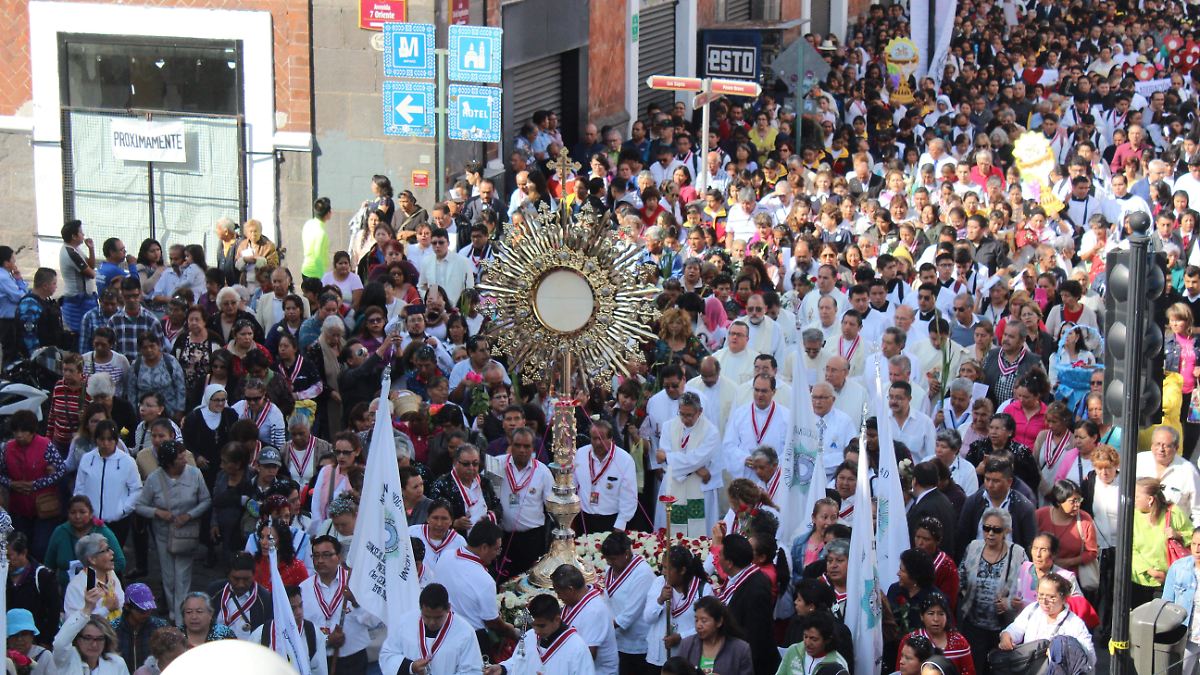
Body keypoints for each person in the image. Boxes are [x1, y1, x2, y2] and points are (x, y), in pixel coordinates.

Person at [135, 440, 210, 622]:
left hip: (186, 533)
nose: (185, 459)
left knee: (182, 576)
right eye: (180, 456)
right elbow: (139, 506)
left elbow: (206, 500)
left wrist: (189, 515)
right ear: (169, 462)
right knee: (168, 576)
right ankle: (173, 610)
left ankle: (180, 617)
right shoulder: (154, 479)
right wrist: (157, 512)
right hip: (163, 534)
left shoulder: (195, 474)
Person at [957, 508, 1026, 675]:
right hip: (973, 625)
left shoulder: (1017, 553)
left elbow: (1025, 589)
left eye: (996, 529)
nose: (990, 533)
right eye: (986, 528)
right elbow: (960, 578)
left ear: (1006, 531)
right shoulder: (973, 547)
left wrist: (1009, 603)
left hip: (1001, 628)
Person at [436, 520, 517, 654]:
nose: (498, 554)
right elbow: (491, 621)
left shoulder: (445, 555)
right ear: (484, 547)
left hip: (443, 632)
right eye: (497, 549)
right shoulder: (485, 580)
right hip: (472, 640)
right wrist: (510, 630)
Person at [299, 536, 373, 673]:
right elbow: (301, 629)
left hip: (353, 658)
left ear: (339, 557)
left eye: (327, 555)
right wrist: (327, 640)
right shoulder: (304, 589)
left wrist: (355, 602)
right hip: (320, 660)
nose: (320, 560)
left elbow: (373, 621)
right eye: (316, 556)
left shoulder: (355, 583)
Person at [0, 410, 66, 559]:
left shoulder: (46, 445)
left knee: (40, 547)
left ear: (32, 431)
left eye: (23, 431)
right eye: (16, 431)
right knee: (21, 546)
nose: (19, 435)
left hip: (44, 508)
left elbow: (61, 470)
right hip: (18, 509)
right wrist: (12, 484)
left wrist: (36, 484)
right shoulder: (7, 448)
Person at [997, 573, 1096, 671]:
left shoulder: (1074, 623)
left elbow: (1090, 657)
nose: (1044, 601)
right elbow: (1016, 628)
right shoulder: (1033, 609)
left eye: (1051, 597)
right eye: (1041, 595)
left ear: (1064, 598)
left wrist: (1064, 652)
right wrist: (1006, 635)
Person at [380, 582, 482, 675]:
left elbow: (472, 671)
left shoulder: (465, 632)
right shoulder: (405, 622)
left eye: (438, 617)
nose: (432, 623)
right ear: (420, 608)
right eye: (427, 616)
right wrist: (411, 667)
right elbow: (387, 655)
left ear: (448, 608)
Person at [656, 391, 722, 536]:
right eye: (682, 414)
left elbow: (696, 458)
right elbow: (668, 458)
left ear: (700, 412)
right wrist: (694, 467)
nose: (685, 419)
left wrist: (669, 458)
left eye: (689, 415)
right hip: (673, 486)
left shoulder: (711, 432)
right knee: (671, 534)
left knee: (698, 534)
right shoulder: (668, 427)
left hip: (699, 488)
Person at [487, 593, 595, 675]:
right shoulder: (529, 636)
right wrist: (503, 668)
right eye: (533, 625)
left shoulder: (577, 648)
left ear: (557, 620)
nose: (536, 631)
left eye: (541, 625)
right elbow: (517, 662)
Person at [74, 420, 141, 549]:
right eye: (101, 439)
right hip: (90, 523)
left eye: (110, 439)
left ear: (116, 440)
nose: (105, 443)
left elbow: (136, 490)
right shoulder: (87, 459)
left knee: (114, 562)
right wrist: (84, 513)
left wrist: (122, 510)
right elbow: (79, 489)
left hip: (118, 522)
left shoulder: (127, 461)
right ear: (96, 439)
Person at [496, 426, 552, 579]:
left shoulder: (543, 471)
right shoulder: (496, 464)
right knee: (503, 582)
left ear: (533, 447)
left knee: (531, 581)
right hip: (504, 537)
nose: (522, 450)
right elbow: (483, 492)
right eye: (517, 445)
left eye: (526, 446)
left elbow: (551, 507)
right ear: (510, 444)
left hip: (532, 539)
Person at [716, 533, 777, 674]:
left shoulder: (756, 589)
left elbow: (755, 638)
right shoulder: (738, 579)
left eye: (720, 555)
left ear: (730, 563)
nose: (718, 558)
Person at [956, 458, 1038, 559]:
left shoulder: (1023, 507)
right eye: (987, 479)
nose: (990, 485)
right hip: (976, 562)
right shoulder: (973, 502)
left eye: (996, 481)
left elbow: (1030, 544)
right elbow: (962, 539)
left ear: (1009, 482)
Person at [1133, 477, 1195, 608]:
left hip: (1170, 580)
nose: (1134, 500)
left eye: (1137, 496)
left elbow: (1192, 537)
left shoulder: (1173, 512)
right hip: (1141, 581)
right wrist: (1151, 571)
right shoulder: (1133, 516)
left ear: (1150, 499)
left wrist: (1178, 535)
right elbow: (1130, 549)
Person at [43, 495, 125, 588]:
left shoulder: (102, 531)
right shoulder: (59, 532)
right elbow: (48, 565)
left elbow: (120, 562)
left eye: (82, 512)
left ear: (90, 514)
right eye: (73, 512)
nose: (77, 516)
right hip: (66, 591)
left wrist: (99, 571)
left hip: (100, 590)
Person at [573, 421, 638, 533]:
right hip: (583, 518)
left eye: (602, 439)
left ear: (611, 439)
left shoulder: (624, 460)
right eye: (594, 438)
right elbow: (572, 484)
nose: (598, 443)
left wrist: (621, 523)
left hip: (611, 520)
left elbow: (629, 496)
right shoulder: (580, 454)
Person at [552, 563, 618, 674]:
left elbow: (588, 655)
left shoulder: (594, 611)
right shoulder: (574, 601)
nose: (558, 597)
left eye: (559, 592)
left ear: (570, 589)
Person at [426, 443, 502, 534]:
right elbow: (432, 516)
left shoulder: (485, 483)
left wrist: (490, 516)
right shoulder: (442, 485)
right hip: (456, 540)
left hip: (484, 539)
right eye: (466, 464)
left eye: (475, 464)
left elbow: (497, 506)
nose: (471, 468)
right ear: (455, 462)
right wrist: (454, 523)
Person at [52, 586, 128, 675]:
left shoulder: (117, 663)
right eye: (88, 638)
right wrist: (87, 609)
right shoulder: (66, 659)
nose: (94, 644)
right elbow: (59, 643)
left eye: (99, 639)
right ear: (78, 639)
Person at [1035, 480, 1098, 584]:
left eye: (1079, 500)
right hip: (1042, 577)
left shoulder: (1084, 519)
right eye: (1073, 501)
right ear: (1059, 502)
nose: (1077, 505)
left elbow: (1092, 552)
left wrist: (1068, 562)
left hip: (1073, 580)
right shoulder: (1040, 515)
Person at [897, 592, 974, 675]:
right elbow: (901, 670)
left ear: (947, 616)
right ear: (922, 616)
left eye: (941, 614)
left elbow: (970, 672)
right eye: (931, 613)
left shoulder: (959, 642)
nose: (936, 619)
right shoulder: (909, 640)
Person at [6, 532, 61, 645]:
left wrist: (46, 642)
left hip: (37, 643)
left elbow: (53, 614)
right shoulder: (3, 576)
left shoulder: (43, 576)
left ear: (23, 553)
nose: (4, 561)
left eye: (8, 556)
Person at [675, 596, 753, 675]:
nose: (698, 625)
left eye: (704, 621)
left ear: (719, 622)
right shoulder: (687, 645)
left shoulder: (740, 649)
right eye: (696, 620)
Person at [205, 552, 271, 641]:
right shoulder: (214, 592)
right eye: (236, 579)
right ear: (228, 575)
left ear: (253, 575)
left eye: (246, 579)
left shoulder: (265, 599)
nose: (241, 584)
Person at [110, 583, 170, 673]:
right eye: (141, 610)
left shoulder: (161, 627)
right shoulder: (112, 629)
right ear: (127, 606)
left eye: (149, 609)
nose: (146, 613)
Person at [63, 533, 124, 619]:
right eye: (105, 550)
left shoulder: (110, 573)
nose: (112, 552)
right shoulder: (76, 586)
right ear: (92, 559)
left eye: (109, 549)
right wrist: (106, 609)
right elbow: (73, 623)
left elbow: (121, 602)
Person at [777, 611, 849, 674]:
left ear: (827, 640)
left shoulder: (838, 663)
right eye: (805, 636)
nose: (807, 643)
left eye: (814, 639)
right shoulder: (793, 651)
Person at [302, 197, 332, 283]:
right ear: (328, 213)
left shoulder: (308, 224)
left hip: (306, 268)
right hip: (316, 274)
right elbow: (317, 257)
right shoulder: (321, 233)